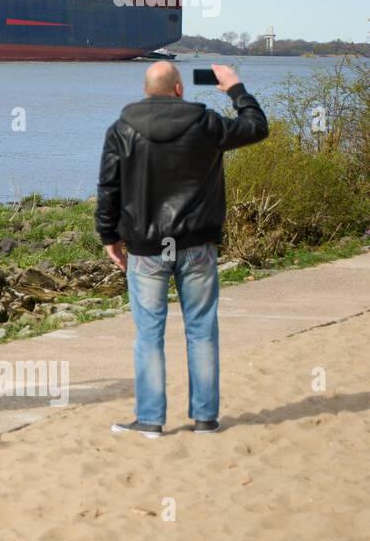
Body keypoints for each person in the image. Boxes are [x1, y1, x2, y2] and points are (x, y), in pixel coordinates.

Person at [96, 61, 267, 438]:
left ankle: (150, 420)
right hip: (196, 245)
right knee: (202, 330)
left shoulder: (122, 129)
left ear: (146, 90)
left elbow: (109, 189)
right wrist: (235, 88)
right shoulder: (206, 124)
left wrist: (109, 238)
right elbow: (256, 127)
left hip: (147, 248)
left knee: (148, 334)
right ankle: (205, 419)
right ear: (178, 89)